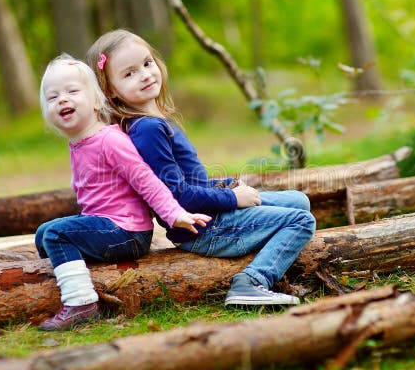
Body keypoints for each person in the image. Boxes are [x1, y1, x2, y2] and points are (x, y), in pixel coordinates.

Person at [85, 30, 316, 307]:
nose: (145, 74)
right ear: (110, 89)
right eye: (129, 74)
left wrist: (227, 185)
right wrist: (233, 199)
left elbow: (191, 179)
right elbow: (177, 196)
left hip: (209, 212)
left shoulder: (155, 120)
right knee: (302, 221)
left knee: (299, 201)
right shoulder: (148, 129)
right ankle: (252, 281)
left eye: (147, 63)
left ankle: (262, 234)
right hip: (204, 228)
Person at [35, 54, 211, 331]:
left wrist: (174, 213)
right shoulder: (80, 143)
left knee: (56, 234)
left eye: (72, 91)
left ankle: (81, 303)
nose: (62, 99)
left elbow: (146, 180)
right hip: (108, 226)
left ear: (95, 102)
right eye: (52, 97)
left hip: (127, 232)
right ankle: (70, 274)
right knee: (44, 233)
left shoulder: (109, 139)